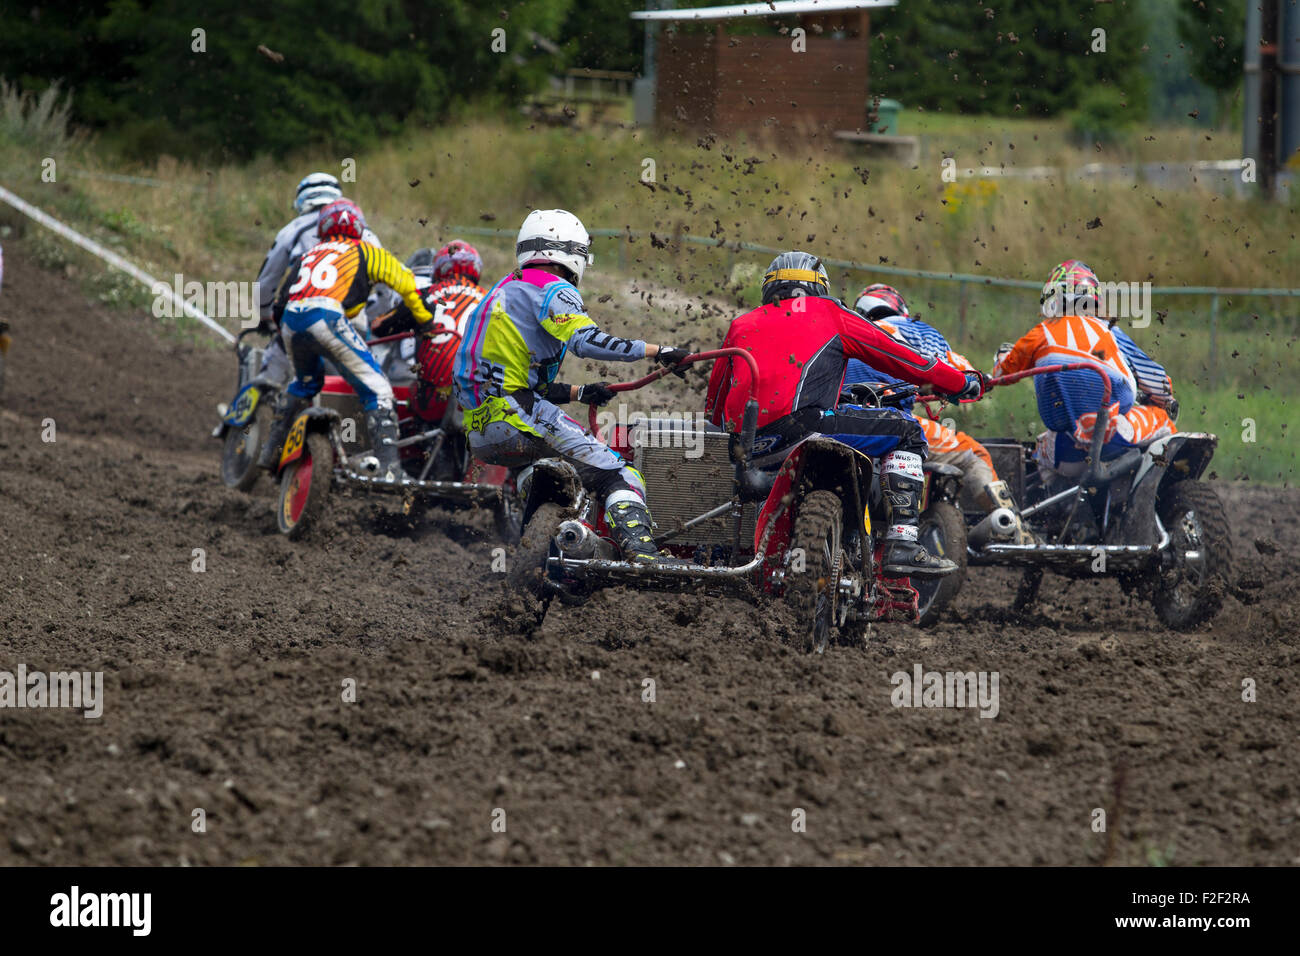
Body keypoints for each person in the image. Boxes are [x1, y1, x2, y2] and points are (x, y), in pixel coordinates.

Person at [703, 252, 987, 578]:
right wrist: (959, 381)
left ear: (769, 288)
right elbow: (904, 360)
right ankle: (903, 544)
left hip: (748, 446)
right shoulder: (830, 313)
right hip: (807, 427)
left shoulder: (742, 323)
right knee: (908, 430)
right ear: (820, 287)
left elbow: (714, 405)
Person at [453, 209, 689, 564]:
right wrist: (658, 351)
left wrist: (581, 392)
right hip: (516, 416)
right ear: (571, 254)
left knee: (561, 466)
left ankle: (547, 548)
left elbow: (514, 380)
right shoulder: (552, 287)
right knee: (618, 473)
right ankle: (644, 554)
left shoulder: (500, 290)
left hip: (481, 433)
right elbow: (586, 341)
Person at [256, 199, 431, 481]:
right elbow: (406, 282)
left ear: (323, 227)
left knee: (303, 383)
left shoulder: (309, 255)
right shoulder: (365, 250)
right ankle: (390, 469)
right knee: (378, 388)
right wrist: (425, 320)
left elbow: (280, 303)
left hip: (291, 320)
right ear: (359, 226)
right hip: (325, 316)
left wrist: (284, 330)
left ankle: (271, 450)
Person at [847, 283, 1031, 540]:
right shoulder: (915, 329)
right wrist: (980, 382)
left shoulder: (846, 329)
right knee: (973, 453)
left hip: (837, 418)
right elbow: (957, 372)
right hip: (891, 419)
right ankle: (1014, 531)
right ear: (899, 308)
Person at [993, 259, 1176, 479]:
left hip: (1065, 451)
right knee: (1163, 417)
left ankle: (1056, 507)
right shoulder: (1109, 331)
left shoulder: (1040, 334)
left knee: (1041, 450)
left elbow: (1000, 375)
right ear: (1093, 296)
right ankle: (1156, 495)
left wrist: (1003, 354)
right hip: (1115, 437)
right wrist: (1166, 401)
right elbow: (1159, 383)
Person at [253, 173, 382, 384]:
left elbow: (266, 283)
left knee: (271, 375)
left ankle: (250, 408)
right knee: (353, 389)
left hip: (301, 316)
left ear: (302, 199)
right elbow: (387, 291)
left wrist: (265, 315)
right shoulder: (366, 233)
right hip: (349, 324)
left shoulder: (293, 229)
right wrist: (373, 315)